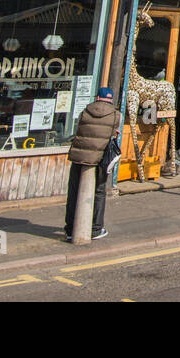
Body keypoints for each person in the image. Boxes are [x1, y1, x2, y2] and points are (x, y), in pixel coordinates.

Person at [64, 87, 118, 242]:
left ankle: (69, 229)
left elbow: (79, 129)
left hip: (79, 156)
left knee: (74, 192)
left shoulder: (85, 112)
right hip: (99, 159)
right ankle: (95, 228)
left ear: (97, 97)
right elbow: (113, 135)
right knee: (99, 192)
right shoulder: (116, 115)